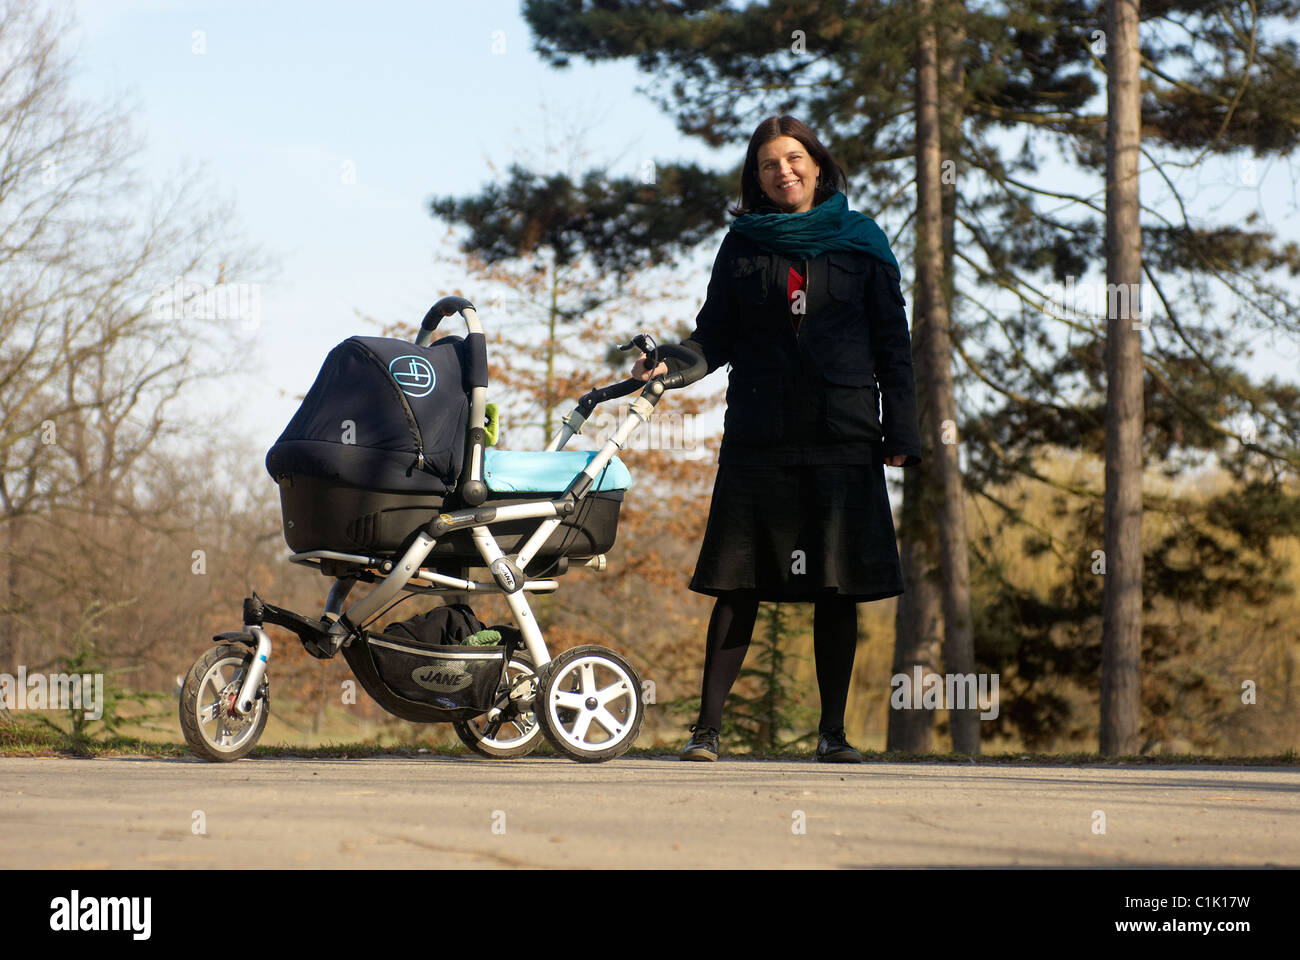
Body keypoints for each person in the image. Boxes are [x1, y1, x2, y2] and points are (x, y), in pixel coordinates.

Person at [631, 115, 922, 763]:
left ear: (819, 166)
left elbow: (892, 346)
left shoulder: (863, 242)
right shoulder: (741, 246)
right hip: (759, 433)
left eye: (794, 159)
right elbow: (715, 337)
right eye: (769, 163)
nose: (783, 171)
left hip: (843, 433)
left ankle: (834, 734)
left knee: (836, 586)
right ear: (755, 177)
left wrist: (902, 428)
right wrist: (669, 367)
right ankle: (706, 732)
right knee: (738, 582)